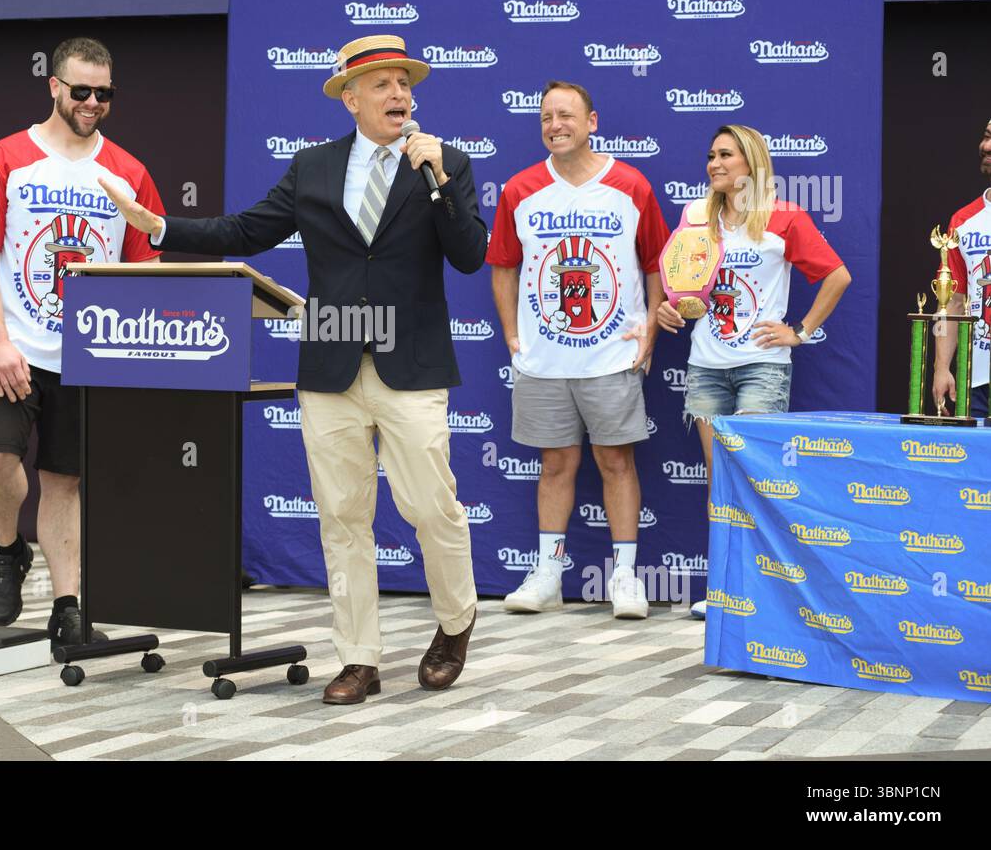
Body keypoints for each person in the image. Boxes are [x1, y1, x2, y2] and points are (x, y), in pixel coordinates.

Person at [99, 35, 488, 705]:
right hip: (331, 364)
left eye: (404, 82)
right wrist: (159, 227)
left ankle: (455, 622)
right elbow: (245, 231)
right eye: (382, 83)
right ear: (350, 98)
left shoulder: (443, 162)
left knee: (433, 507)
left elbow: (471, 254)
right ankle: (359, 658)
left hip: (412, 364)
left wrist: (442, 183)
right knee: (342, 516)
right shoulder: (313, 166)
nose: (399, 93)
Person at [0, 37, 167, 645]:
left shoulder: (129, 171)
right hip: (11, 345)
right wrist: (0, 341)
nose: (92, 103)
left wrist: (128, 350)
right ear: (53, 86)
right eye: (81, 91)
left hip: (88, 354)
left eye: (104, 94)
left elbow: (147, 267)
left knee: (65, 480)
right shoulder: (3, 157)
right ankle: (9, 551)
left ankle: (68, 605)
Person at [488, 81, 670, 620]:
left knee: (616, 461)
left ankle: (625, 578)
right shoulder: (520, 189)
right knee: (555, 463)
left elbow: (656, 263)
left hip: (612, 355)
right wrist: (511, 333)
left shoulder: (630, 185)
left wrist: (650, 328)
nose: (555, 125)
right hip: (544, 359)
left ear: (592, 121)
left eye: (566, 115)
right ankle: (548, 575)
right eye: (546, 117)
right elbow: (504, 266)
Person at [656, 124, 851, 617]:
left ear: (752, 162)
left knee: (753, 476)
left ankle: (764, 592)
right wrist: (668, 307)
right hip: (706, 365)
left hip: (762, 365)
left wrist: (799, 330)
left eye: (726, 155)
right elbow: (680, 285)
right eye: (711, 155)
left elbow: (837, 276)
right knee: (721, 480)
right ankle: (725, 589)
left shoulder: (784, 217)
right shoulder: (695, 216)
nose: (714, 164)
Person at [932, 118, 991, 418]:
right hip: (977, 382)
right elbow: (952, 301)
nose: (986, 146)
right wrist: (942, 368)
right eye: (986, 136)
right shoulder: (964, 221)